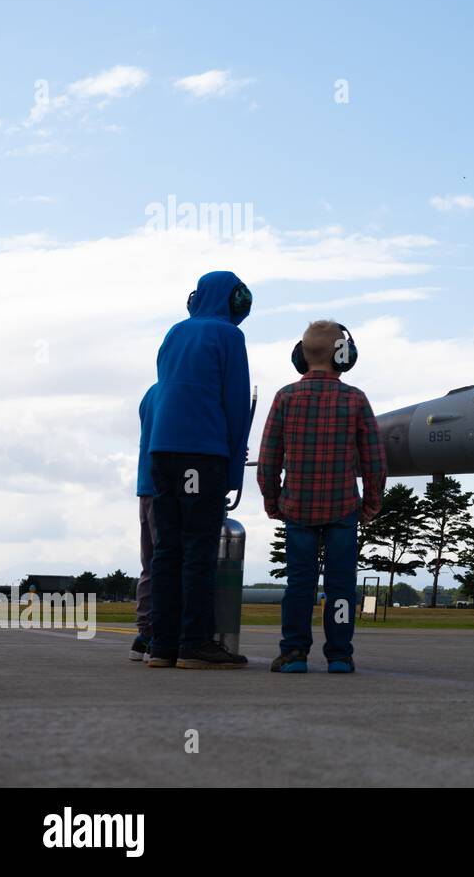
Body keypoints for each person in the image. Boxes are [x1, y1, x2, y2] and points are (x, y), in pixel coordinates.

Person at [257, 320, 386, 674]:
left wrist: (272, 500)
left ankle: (294, 653)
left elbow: (269, 457)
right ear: (345, 355)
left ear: (300, 355)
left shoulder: (285, 397)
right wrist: (372, 502)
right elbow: (375, 458)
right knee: (341, 585)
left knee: (299, 584)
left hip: (297, 508)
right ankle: (340, 655)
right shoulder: (355, 399)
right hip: (343, 507)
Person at [147, 270, 252, 669]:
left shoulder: (175, 332)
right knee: (199, 549)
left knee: (167, 549)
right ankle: (194, 642)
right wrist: (233, 474)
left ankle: (162, 644)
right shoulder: (229, 336)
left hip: (163, 449)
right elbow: (236, 405)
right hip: (201, 452)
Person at [131, 383, 159, 662]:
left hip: (147, 485)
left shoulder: (151, 393)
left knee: (150, 564)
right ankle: (160, 635)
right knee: (172, 560)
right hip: (169, 487)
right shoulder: (182, 391)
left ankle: (145, 633)